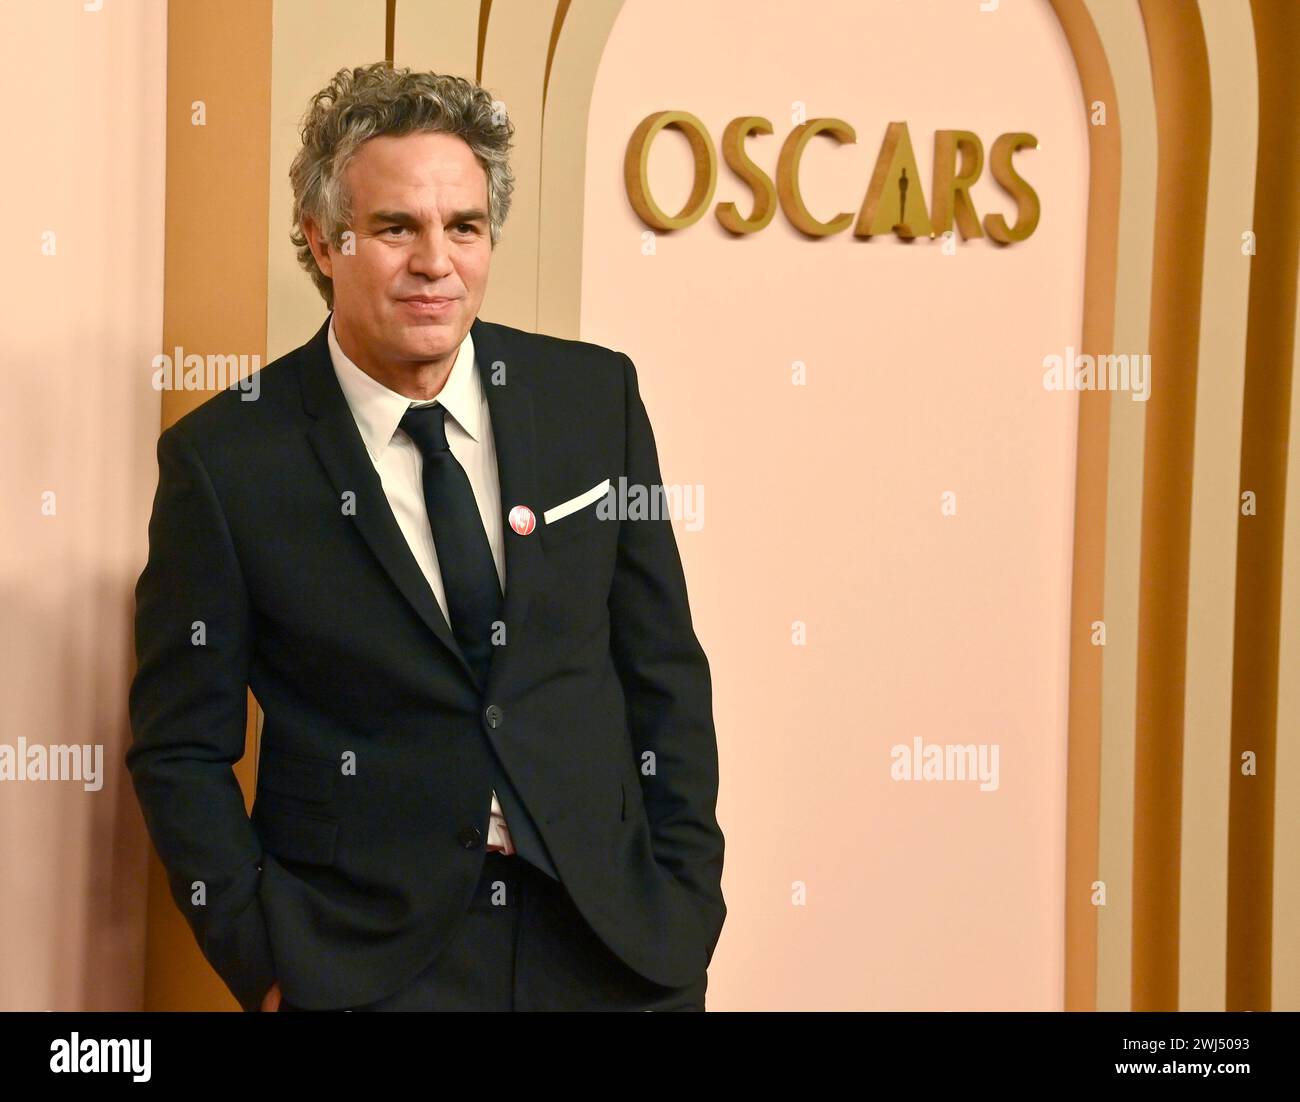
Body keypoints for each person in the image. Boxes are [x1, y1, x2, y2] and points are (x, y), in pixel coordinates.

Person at [125, 63, 725, 1012]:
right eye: (397, 226)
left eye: (465, 227)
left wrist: (687, 900)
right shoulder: (226, 461)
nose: (435, 261)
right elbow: (179, 750)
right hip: (365, 963)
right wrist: (266, 960)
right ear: (325, 239)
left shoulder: (592, 401)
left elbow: (664, 667)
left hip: (613, 945)